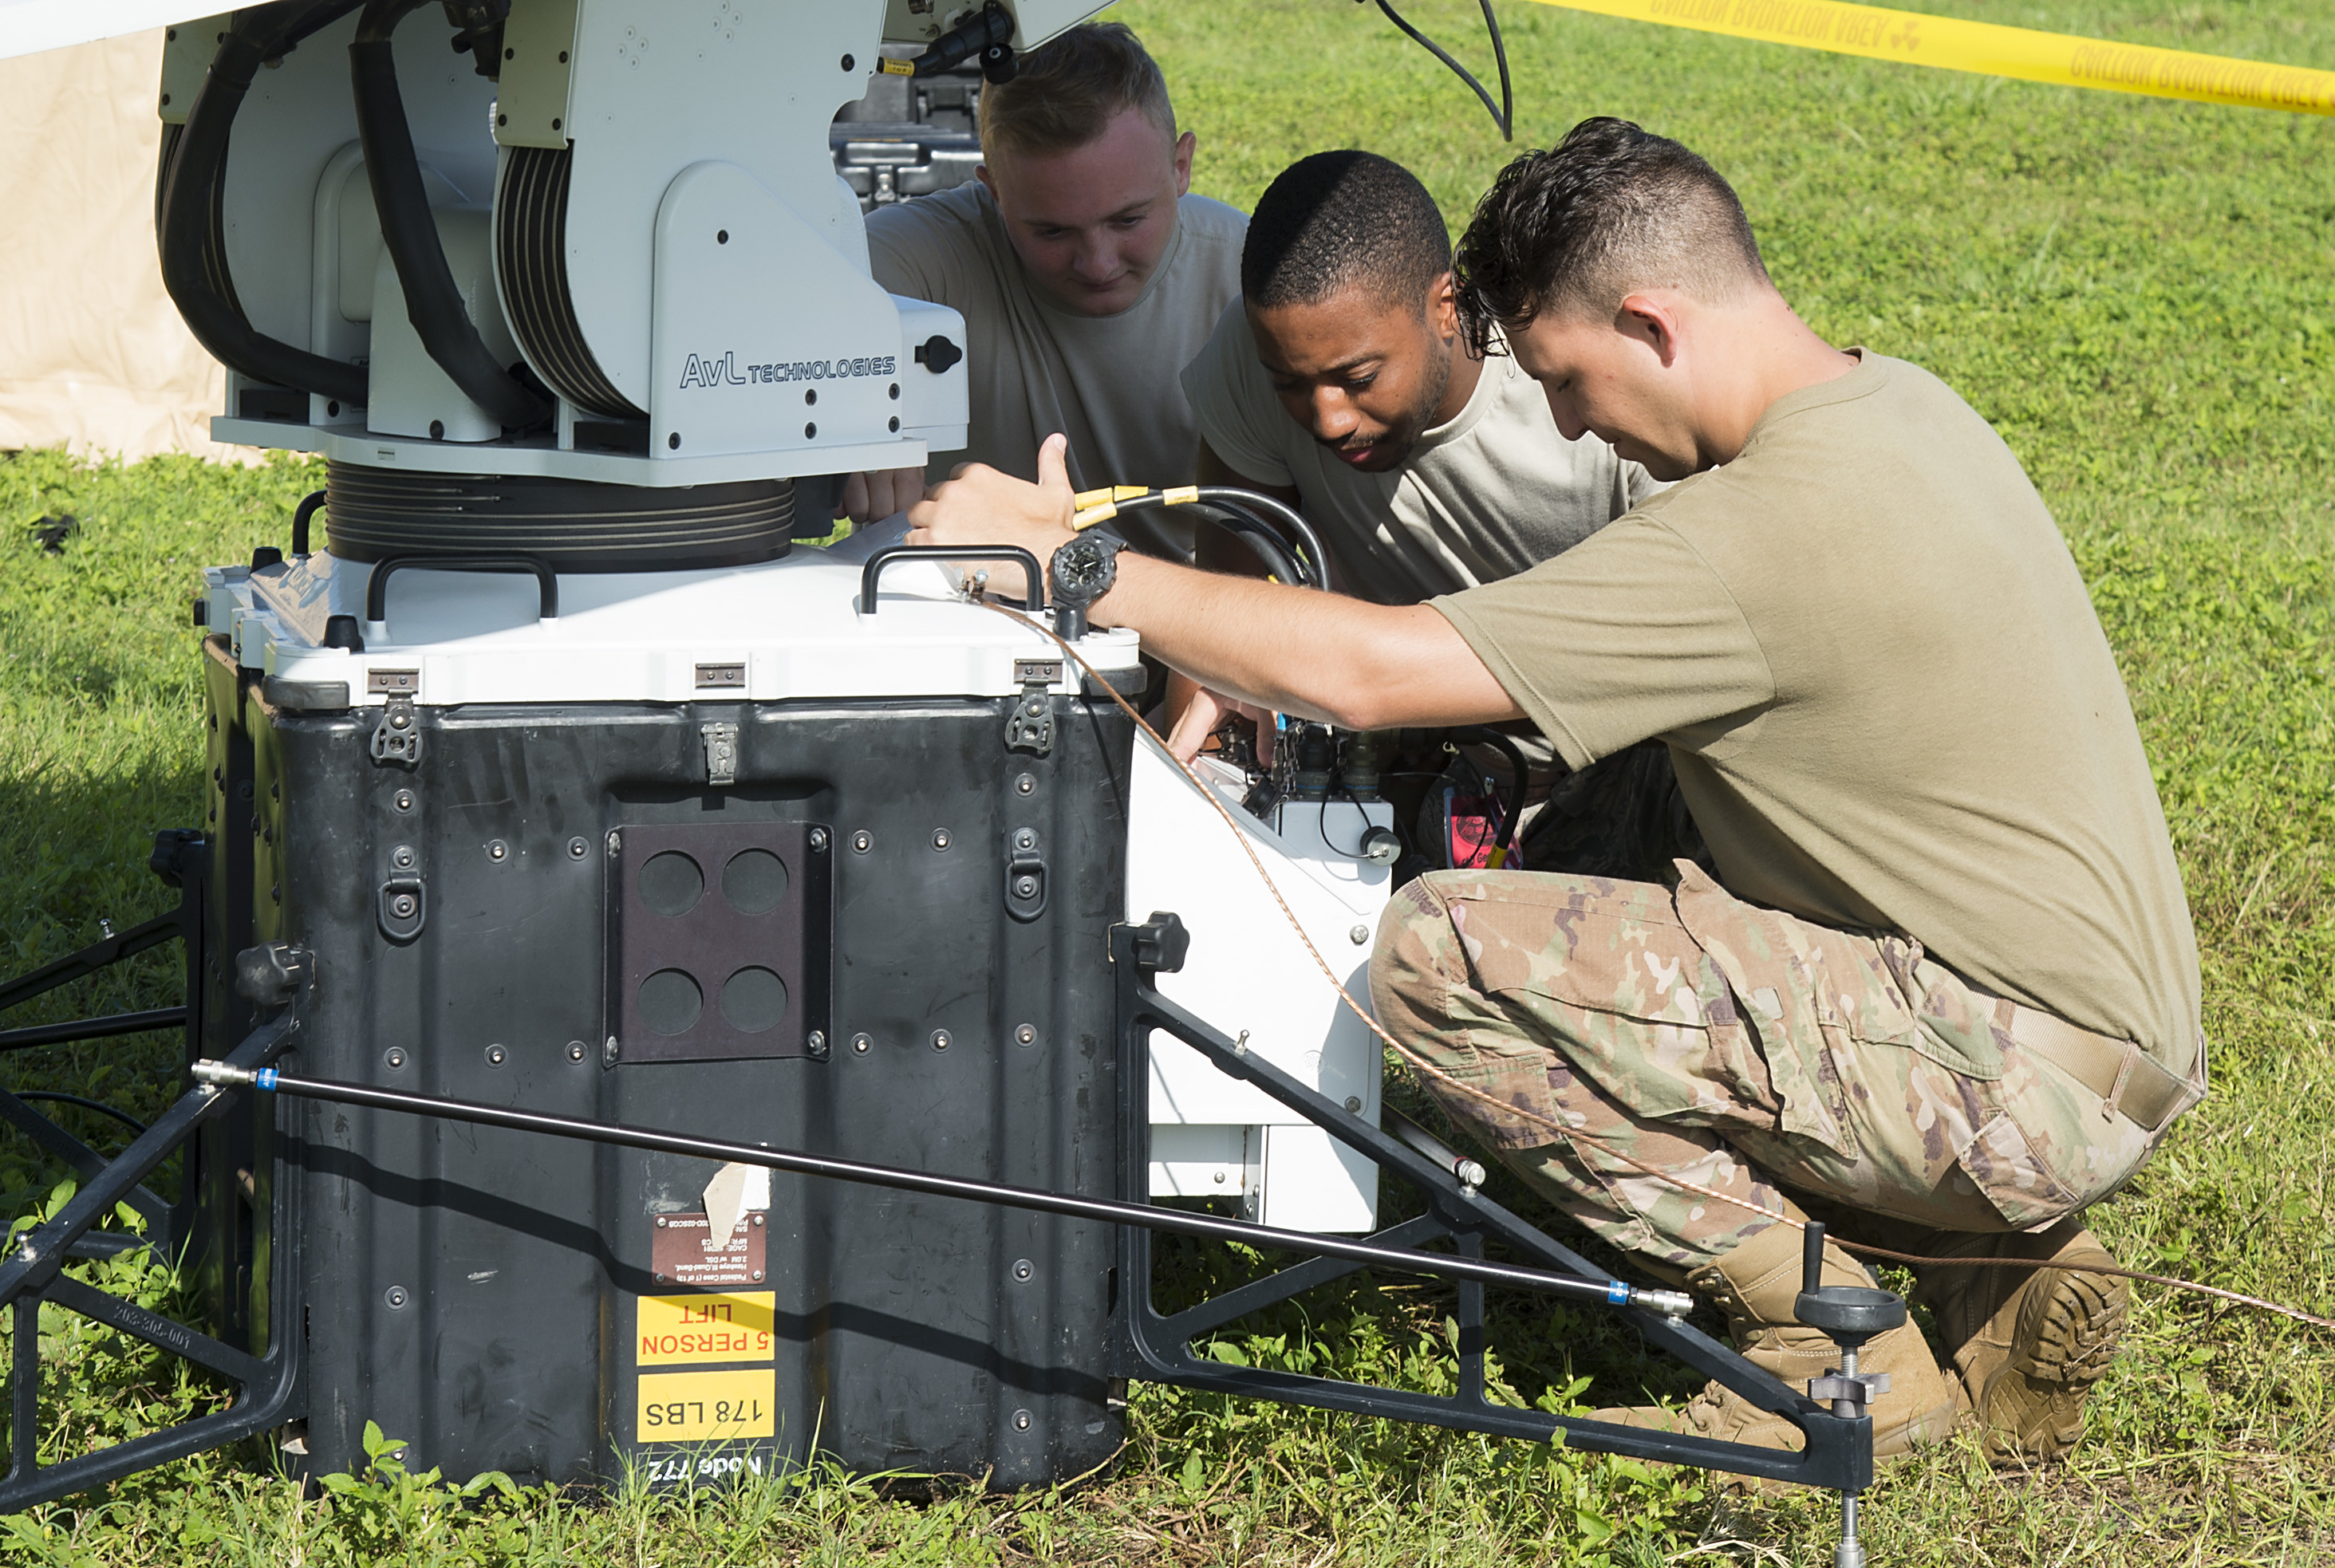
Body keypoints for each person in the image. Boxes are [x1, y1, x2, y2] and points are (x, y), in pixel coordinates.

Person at [905, 117, 2207, 1469]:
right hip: (2081, 1051)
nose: (1574, 422)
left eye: (1572, 381)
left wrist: (1077, 568)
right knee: (1604, 830)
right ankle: (1992, 1265)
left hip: (2012, 1084)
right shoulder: (1905, 405)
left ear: (1652, 323)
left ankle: (1838, 1337)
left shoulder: (1744, 535)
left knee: (1443, 957)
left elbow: (1368, 674)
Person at [1174, 149, 1680, 877]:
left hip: (1620, 764)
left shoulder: (1588, 391)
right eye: (1290, 383)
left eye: (1358, 378)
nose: (1326, 418)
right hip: (1404, 744)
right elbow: (1221, 610)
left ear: (1445, 306)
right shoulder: (1269, 351)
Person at [842, 22, 1244, 561]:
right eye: (1052, 231)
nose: (1097, 262)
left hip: (1171, 619)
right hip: (951, 618)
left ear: (1180, 167)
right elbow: (767, 327)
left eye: (1127, 220)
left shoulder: (1245, 275)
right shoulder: (917, 255)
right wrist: (856, 409)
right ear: (994, 192)